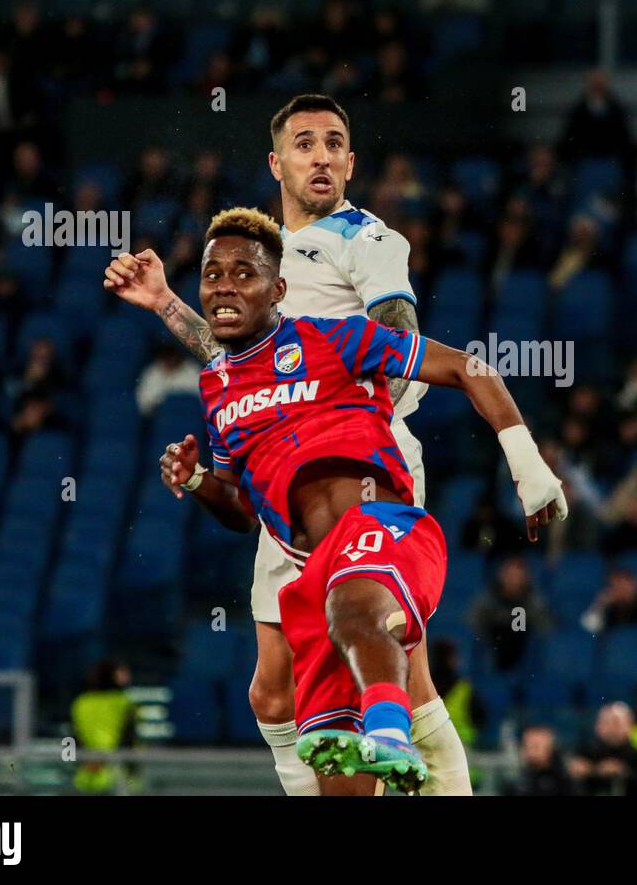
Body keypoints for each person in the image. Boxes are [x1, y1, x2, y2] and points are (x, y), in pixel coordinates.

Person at [116, 208, 565, 793]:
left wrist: (529, 469)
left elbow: (469, 368)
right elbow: (243, 510)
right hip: (311, 576)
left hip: (385, 530)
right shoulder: (216, 386)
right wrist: (198, 480)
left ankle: (387, 730)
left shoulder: (331, 337)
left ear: (278, 289)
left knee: (358, 620)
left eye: (243, 273)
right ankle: (391, 741)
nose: (224, 284)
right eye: (212, 274)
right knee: (331, 762)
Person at [102, 93, 469, 797]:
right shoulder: (265, 257)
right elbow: (237, 360)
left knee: (394, 672)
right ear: (277, 163)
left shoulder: (368, 238)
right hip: (286, 475)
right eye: (305, 144)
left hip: (360, 468)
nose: (322, 155)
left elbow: (397, 332)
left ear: (352, 161)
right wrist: (165, 303)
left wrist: (355, 419)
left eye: (334, 143)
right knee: (273, 695)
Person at [467, 555, 554, 672]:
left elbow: (545, 628)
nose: (512, 579)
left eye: (517, 576)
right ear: (501, 575)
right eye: (509, 574)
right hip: (492, 651)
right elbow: (471, 623)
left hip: (523, 655)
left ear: (525, 578)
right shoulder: (487, 599)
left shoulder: (534, 601)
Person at [70, 660, 138, 795]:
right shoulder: (124, 702)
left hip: (86, 774)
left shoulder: (80, 701)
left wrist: (76, 761)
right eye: (122, 672)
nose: (127, 676)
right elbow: (129, 738)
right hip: (115, 774)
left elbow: (70, 739)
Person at [568, 702, 637, 795]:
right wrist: (595, 770)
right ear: (597, 727)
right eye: (605, 722)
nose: (611, 727)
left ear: (630, 726)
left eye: (616, 722)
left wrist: (623, 772)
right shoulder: (583, 752)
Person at [505, 724, 576, 796]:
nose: (530, 752)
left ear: (550, 749)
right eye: (526, 746)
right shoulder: (515, 780)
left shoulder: (564, 781)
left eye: (536, 747)